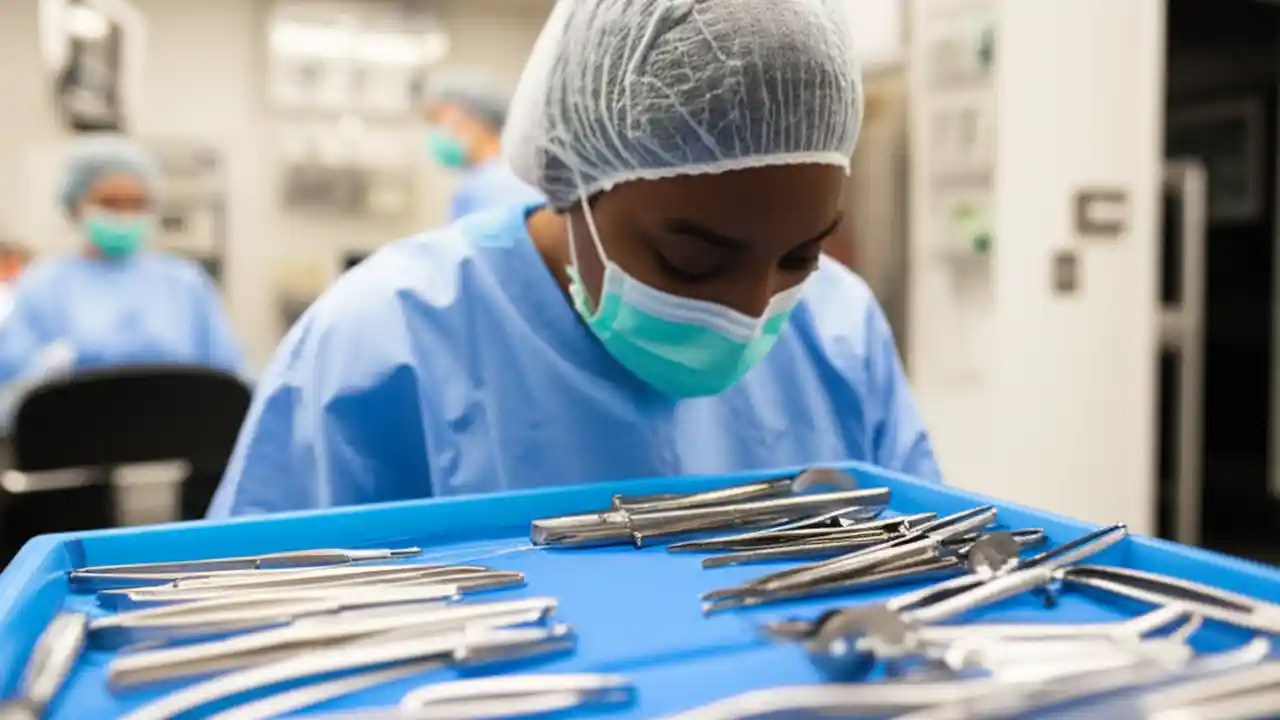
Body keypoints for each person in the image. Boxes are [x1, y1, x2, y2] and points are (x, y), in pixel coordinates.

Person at [209, 0, 940, 517]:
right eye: (690, 261)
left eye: (800, 256)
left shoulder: (842, 329)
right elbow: (244, 622)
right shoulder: (381, 341)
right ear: (575, 180)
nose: (749, 313)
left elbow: (927, 582)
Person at [0, 134, 245, 384]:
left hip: (175, 420)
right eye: (109, 203)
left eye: (136, 204)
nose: (124, 215)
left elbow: (230, 380)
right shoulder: (42, 287)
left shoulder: (185, 284)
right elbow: (12, 390)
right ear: (75, 205)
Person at [423, 76, 542, 220]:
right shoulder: (478, 181)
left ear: (480, 122)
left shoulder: (497, 185)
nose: (437, 134)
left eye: (440, 121)